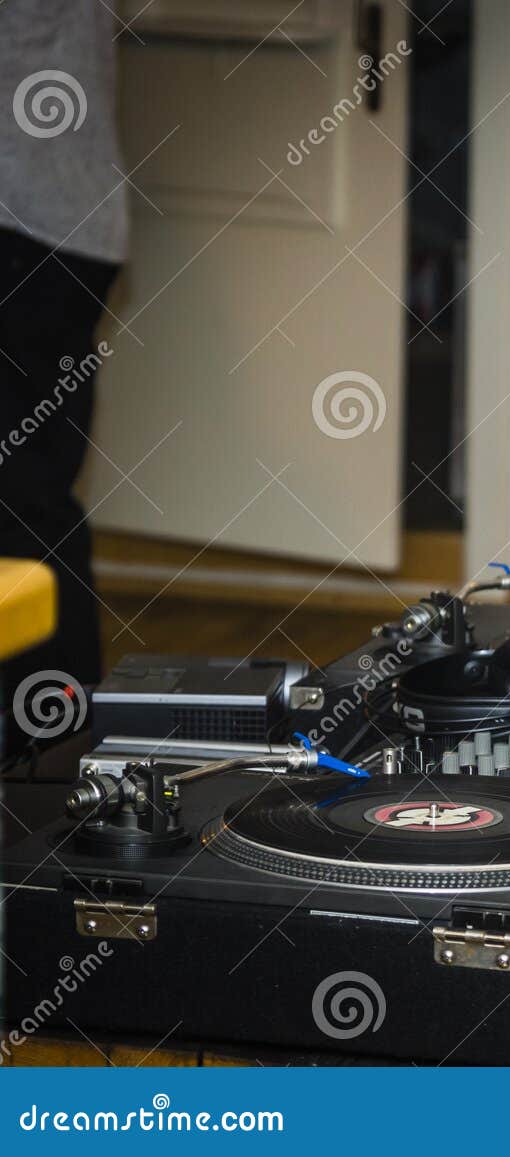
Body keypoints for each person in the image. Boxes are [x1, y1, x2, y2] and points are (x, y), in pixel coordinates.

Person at [0, 0, 127, 752]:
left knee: (22, 505)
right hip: (66, 219)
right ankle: (66, 745)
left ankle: (48, 750)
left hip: (26, 223)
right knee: (33, 499)